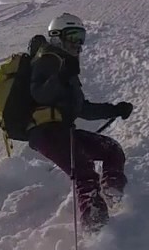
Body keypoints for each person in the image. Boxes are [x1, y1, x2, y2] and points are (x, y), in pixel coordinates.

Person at [26, 13, 134, 230]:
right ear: (57, 35)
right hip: (46, 132)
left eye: (81, 37)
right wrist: (61, 76)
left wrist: (114, 110)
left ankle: (112, 194)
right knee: (84, 170)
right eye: (73, 35)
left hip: (62, 130)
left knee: (112, 150)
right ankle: (94, 224)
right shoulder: (47, 59)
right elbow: (39, 94)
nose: (79, 43)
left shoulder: (66, 66)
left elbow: (81, 108)